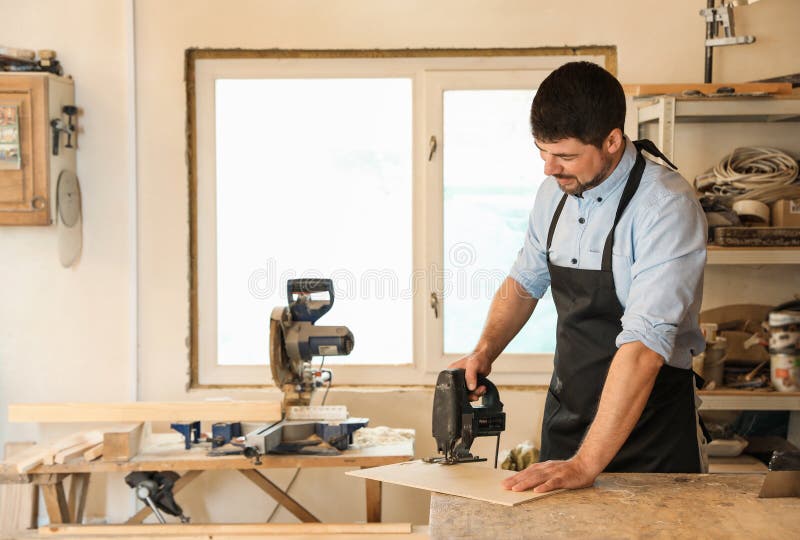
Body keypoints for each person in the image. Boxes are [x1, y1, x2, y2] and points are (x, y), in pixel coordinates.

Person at [449, 61, 708, 493]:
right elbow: (524, 281)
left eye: (565, 156)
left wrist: (586, 464)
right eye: (542, 152)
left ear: (612, 140)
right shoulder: (554, 193)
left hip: (652, 433)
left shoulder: (665, 207)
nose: (549, 169)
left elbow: (645, 346)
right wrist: (484, 351)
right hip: (567, 423)